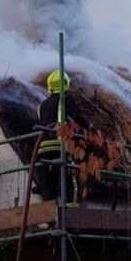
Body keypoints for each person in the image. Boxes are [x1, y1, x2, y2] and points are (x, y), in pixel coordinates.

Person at [35, 70, 91, 202]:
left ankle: (49, 216)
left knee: (49, 185)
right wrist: (91, 127)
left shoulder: (40, 106)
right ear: (65, 85)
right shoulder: (66, 99)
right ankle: (72, 210)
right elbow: (77, 117)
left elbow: (37, 129)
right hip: (59, 145)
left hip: (42, 150)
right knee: (70, 179)